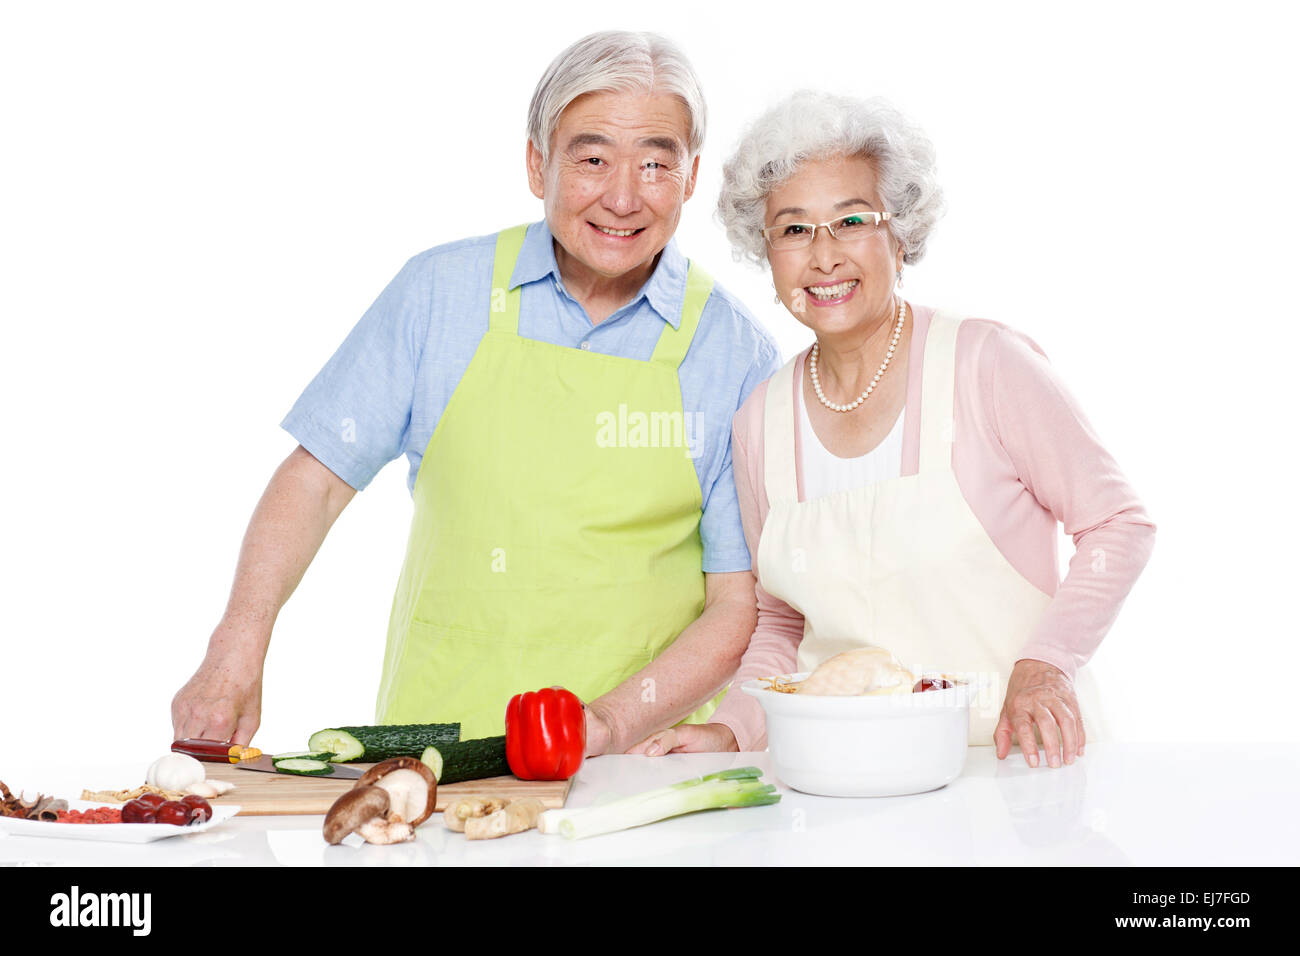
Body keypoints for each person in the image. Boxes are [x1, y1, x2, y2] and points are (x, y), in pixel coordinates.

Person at [170, 31, 782, 751]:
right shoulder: (440, 295)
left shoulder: (735, 353)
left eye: (655, 162)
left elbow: (735, 604)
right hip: (432, 752)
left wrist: (607, 725)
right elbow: (316, 482)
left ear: (690, 176)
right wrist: (238, 647)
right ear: (536, 163)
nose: (623, 196)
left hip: (633, 765)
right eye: (591, 159)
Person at [632, 90, 1155, 768]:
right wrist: (731, 729)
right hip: (845, 782)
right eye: (793, 230)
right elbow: (782, 623)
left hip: (1015, 771)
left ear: (900, 235)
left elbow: (1118, 523)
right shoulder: (760, 419)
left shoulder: (985, 365)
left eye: (851, 220)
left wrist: (1048, 664)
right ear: (766, 254)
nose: (823, 257)